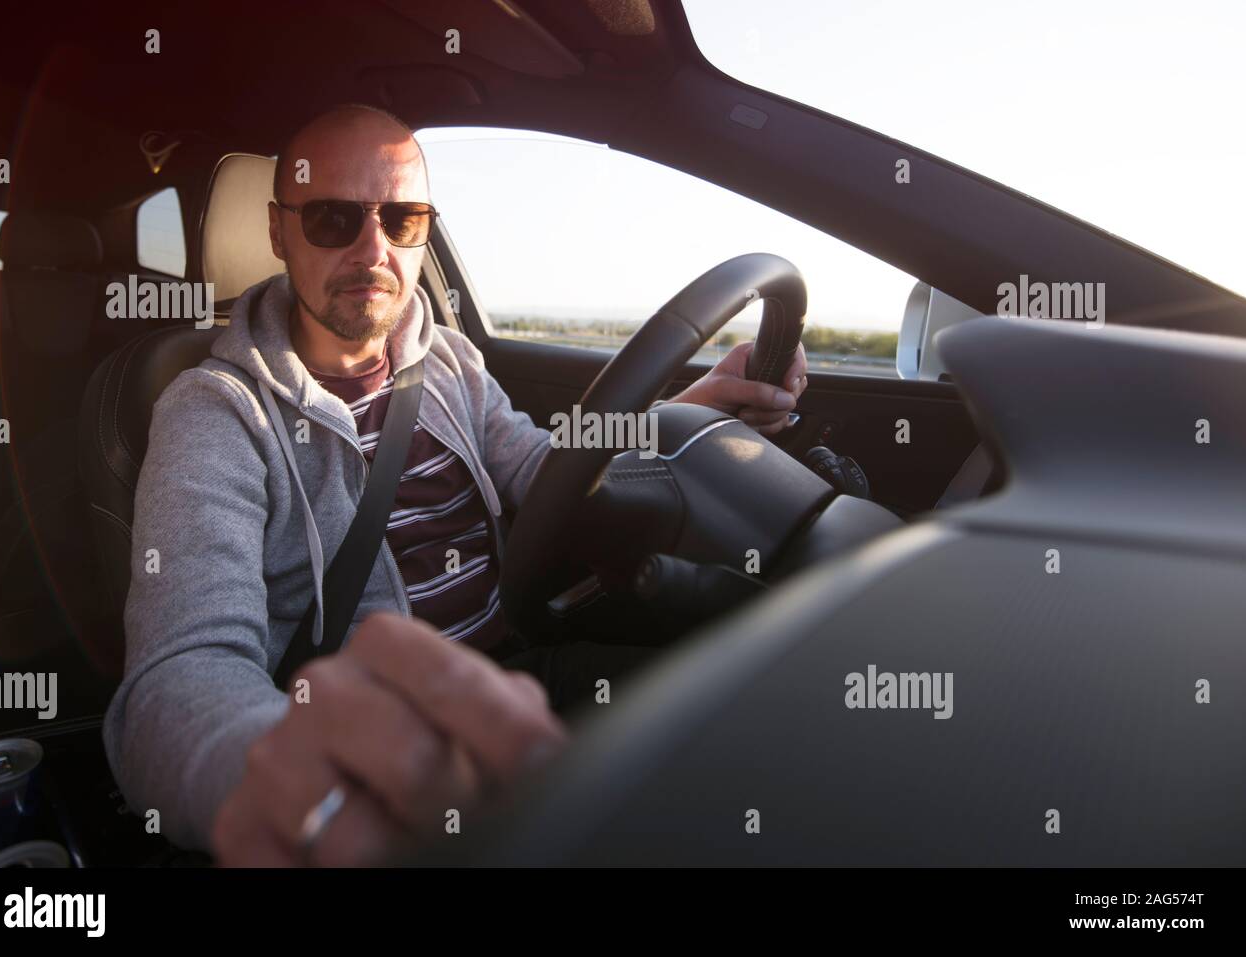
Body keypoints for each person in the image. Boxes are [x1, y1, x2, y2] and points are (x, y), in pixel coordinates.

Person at [104, 104, 807, 866]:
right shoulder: (217, 411)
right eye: (335, 218)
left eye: (402, 220)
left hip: (525, 668)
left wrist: (692, 407)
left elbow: (548, 472)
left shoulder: (447, 360)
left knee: (759, 717)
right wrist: (304, 784)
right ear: (279, 233)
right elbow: (177, 678)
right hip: (383, 743)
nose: (373, 249)